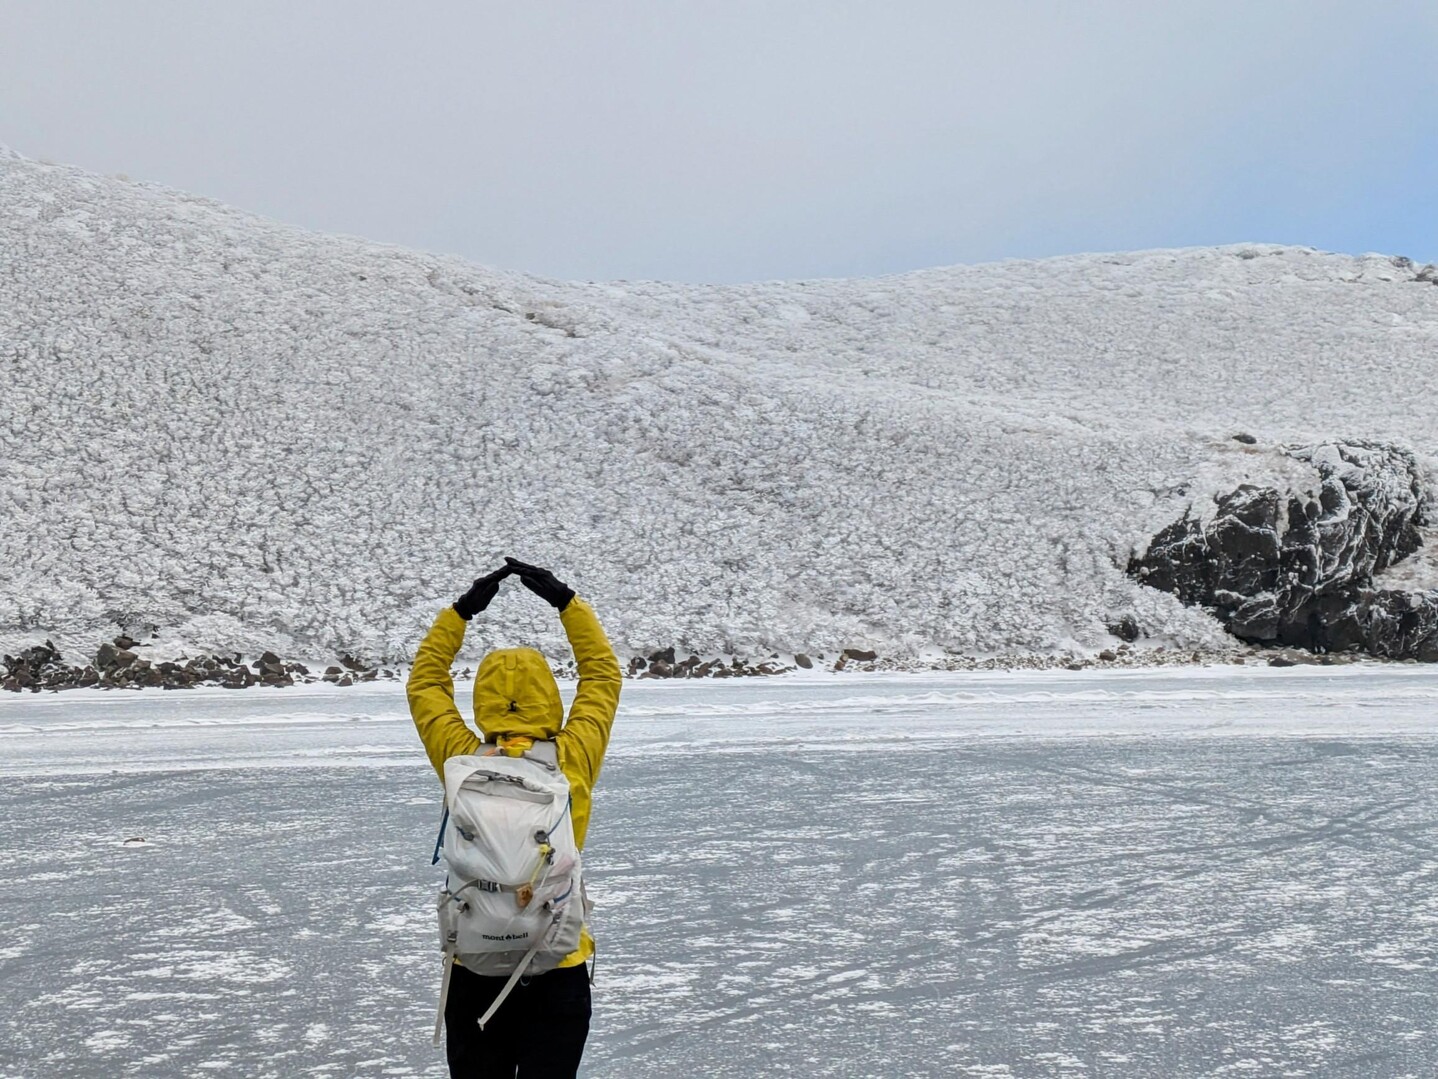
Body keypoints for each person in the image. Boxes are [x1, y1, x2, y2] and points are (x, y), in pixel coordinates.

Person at [407, 557, 621, 1078]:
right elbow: (602, 676)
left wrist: (459, 614)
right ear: (548, 693)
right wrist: (568, 604)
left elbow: (425, 684)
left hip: (474, 965)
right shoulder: (573, 756)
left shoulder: (461, 759)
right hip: (558, 962)